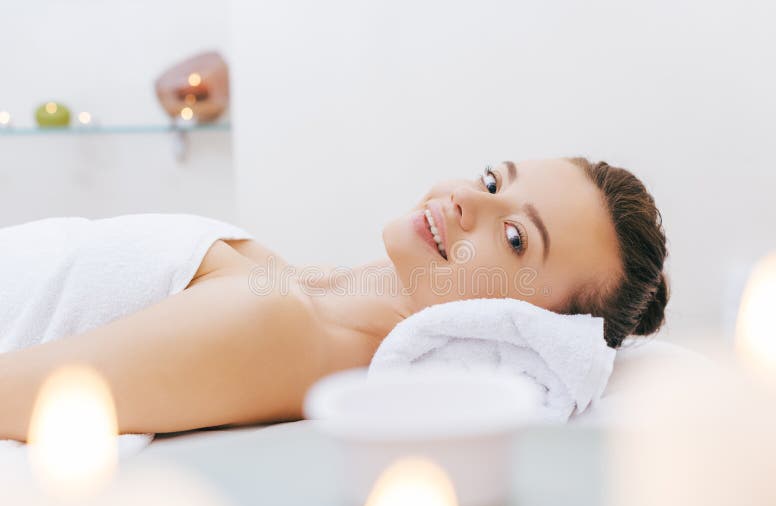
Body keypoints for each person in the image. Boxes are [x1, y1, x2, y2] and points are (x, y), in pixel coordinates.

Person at [0, 158, 668, 441]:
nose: (470, 199)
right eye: (494, 177)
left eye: (517, 238)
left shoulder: (275, 331)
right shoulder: (299, 289)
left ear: (522, 329)